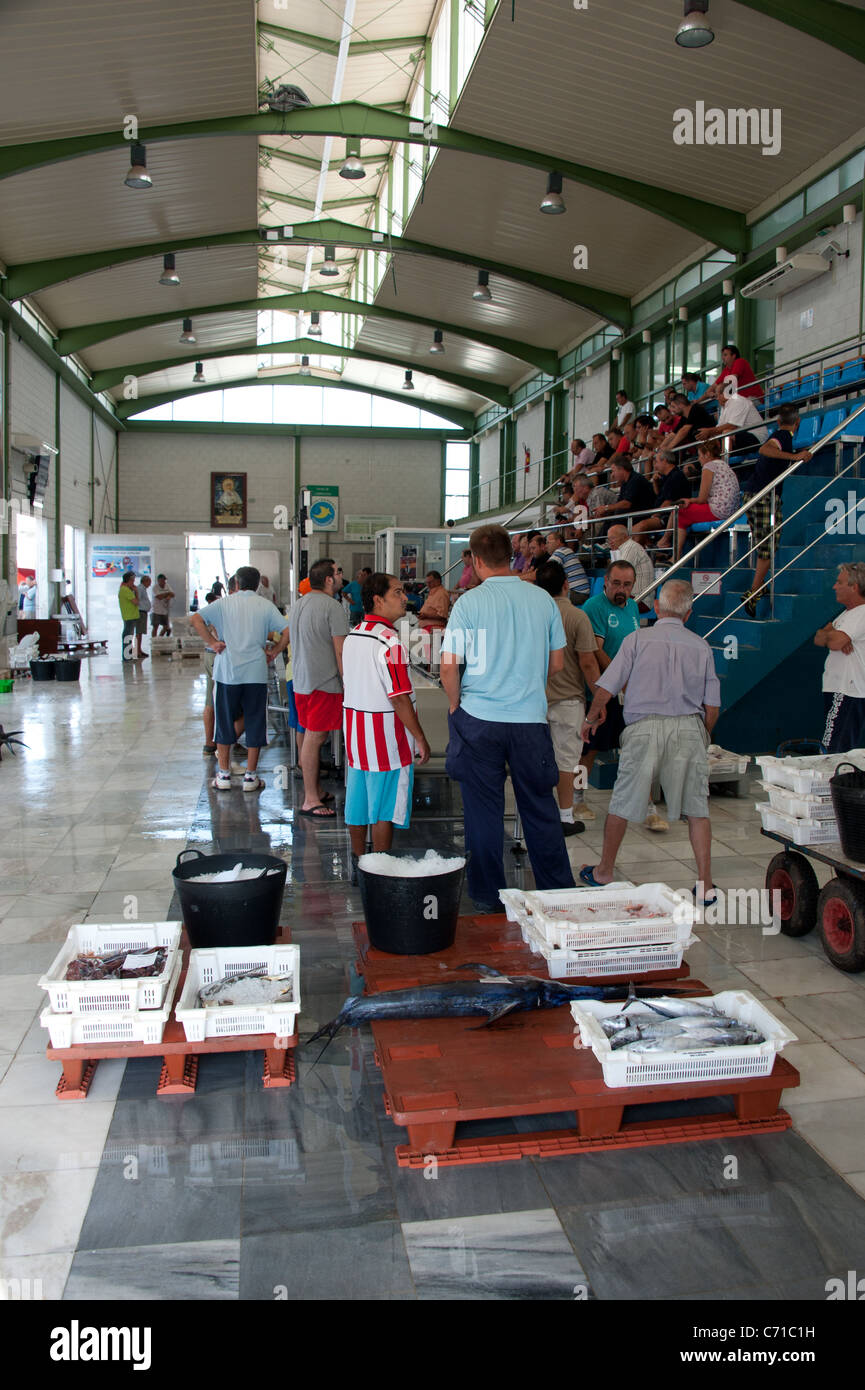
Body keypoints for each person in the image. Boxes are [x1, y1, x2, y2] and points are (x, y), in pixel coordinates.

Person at [440, 524, 575, 912]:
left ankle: (489, 897)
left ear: (477, 560)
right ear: (512, 556)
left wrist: (455, 706)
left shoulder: (469, 604)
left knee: (483, 811)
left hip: (479, 718)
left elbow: (450, 668)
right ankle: (556, 893)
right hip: (530, 720)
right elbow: (557, 664)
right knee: (539, 808)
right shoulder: (543, 601)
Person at [578, 580, 721, 905]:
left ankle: (603, 872)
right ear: (688, 613)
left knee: (623, 803)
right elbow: (712, 706)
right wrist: (703, 735)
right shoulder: (701, 646)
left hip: (643, 728)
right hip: (687, 728)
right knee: (698, 809)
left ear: (656, 607)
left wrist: (591, 718)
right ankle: (706, 885)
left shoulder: (637, 639)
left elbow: (608, 686)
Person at [343, 572, 431, 878]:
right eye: (397, 592)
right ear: (378, 599)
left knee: (358, 802)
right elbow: (399, 699)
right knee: (383, 808)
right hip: (386, 737)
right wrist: (420, 737)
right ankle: (378, 871)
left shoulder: (355, 634)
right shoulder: (390, 641)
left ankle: (358, 863)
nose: (405, 597)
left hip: (356, 731)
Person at [191, 566, 290, 793]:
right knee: (255, 721)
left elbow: (196, 619)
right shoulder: (265, 605)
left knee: (224, 721)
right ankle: (250, 777)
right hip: (255, 673)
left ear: (235, 582)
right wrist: (275, 651)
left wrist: (213, 642)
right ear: (257, 584)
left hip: (227, 673)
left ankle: (224, 775)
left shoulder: (224, 603)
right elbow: (287, 630)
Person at [535, 561, 600, 834]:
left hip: (534, 701)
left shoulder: (532, 615)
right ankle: (563, 818)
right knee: (566, 762)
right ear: (566, 584)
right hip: (568, 702)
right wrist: (599, 700)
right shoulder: (577, 616)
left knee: (537, 761)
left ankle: (536, 814)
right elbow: (587, 663)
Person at [576, 561, 641, 822]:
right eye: (616, 583)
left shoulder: (634, 607)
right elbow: (596, 652)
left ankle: (644, 806)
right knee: (589, 749)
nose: (621, 589)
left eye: (627, 584)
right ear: (605, 581)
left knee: (635, 748)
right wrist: (619, 678)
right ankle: (578, 799)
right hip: (601, 692)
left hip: (630, 692)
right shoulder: (594, 607)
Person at [287, 557, 350, 817]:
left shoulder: (299, 604)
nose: (340, 576)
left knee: (311, 737)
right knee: (315, 738)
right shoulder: (332, 607)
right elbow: (340, 649)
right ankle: (310, 799)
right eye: (337, 572)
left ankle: (316, 790)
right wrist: (350, 681)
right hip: (323, 683)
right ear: (328, 579)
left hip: (302, 681)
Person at [741, 405, 811, 617]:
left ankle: (759, 586)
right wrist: (794, 456)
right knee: (768, 544)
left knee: (766, 543)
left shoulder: (781, 434)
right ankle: (753, 591)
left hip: (755, 494)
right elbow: (765, 449)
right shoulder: (784, 435)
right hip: (764, 497)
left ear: (779, 420)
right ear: (797, 422)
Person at [659, 440, 740, 555]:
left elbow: (702, 499)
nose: (699, 459)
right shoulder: (724, 465)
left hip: (719, 510)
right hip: (731, 511)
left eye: (700, 456)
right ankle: (669, 547)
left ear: (707, 454)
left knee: (679, 512)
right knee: (682, 512)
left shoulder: (709, 466)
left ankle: (667, 546)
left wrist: (689, 500)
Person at [816, 564, 865, 752]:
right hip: (840, 690)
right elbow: (819, 638)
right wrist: (833, 635)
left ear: (854, 587)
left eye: (839, 582)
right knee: (836, 748)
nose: (834, 587)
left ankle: (835, 782)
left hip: (847, 691)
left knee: (832, 751)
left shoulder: (861, 613)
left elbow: (834, 642)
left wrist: (833, 635)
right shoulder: (847, 614)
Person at [631, 449, 691, 543]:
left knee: (640, 527)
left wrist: (654, 515)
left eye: (657, 462)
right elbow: (660, 496)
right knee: (634, 528)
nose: (655, 466)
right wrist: (655, 483)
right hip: (663, 513)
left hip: (669, 515)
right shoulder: (666, 477)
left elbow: (668, 502)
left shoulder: (676, 476)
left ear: (665, 461)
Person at [703, 381, 768, 454]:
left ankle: (725, 462)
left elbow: (732, 426)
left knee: (726, 433)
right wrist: (709, 434)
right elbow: (719, 428)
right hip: (741, 436)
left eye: (717, 396)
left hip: (756, 437)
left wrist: (709, 431)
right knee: (710, 439)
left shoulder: (738, 401)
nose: (717, 399)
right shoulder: (724, 406)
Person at [592, 458, 655, 531]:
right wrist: (605, 512)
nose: (612, 475)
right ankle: (601, 541)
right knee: (610, 517)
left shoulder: (636, 479)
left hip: (642, 514)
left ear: (621, 469)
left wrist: (606, 508)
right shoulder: (625, 483)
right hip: (633, 515)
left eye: (613, 471)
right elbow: (619, 503)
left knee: (618, 514)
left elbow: (626, 504)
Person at [606, 524, 654, 610]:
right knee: (599, 602)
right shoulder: (622, 549)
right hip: (629, 595)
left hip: (639, 599)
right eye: (608, 539)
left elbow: (618, 574)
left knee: (601, 604)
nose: (610, 542)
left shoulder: (631, 547)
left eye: (612, 538)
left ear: (624, 537)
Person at [545, 529, 590, 601]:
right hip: (578, 593)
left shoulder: (561, 551)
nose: (546, 546)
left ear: (558, 541)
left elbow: (544, 571)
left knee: (547, 599)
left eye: (548, 542)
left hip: (577, 593)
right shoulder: (566, 550)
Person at [117, 571, 140, 662]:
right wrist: (136, 591)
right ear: (128, 581)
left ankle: (128, 655)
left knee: (129, 637)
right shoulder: (125, 590)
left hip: (130, 616)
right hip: (129, 616)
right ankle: (127, 656)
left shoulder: (124, 589)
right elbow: (136, 602)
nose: (133, 583)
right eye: (132, 581)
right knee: (128, 636)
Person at [134, 573, 151, 659]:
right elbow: (137, 599)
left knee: (140, 632)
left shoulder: (143, 589)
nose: (150, 584)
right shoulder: (140, 588)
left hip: (143, 612)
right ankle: (136, 651)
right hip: (140, 612)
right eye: (149, 582)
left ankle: (139, 650)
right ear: (145, 581)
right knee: (138, 632)